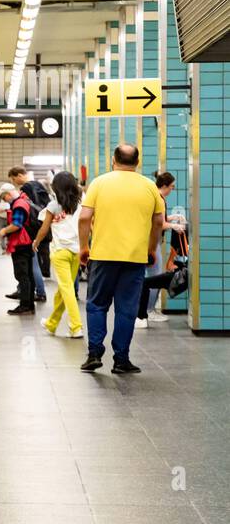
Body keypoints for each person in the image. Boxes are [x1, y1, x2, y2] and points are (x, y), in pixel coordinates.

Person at [78, 144, 165, 374]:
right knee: (127, 309)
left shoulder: (99, 182)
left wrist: (83, 246)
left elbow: (84, 217)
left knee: (97, 305)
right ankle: (121, 359)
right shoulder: (149, 186)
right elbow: (158, 222)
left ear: (112, 159)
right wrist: (152, 247)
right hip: (135, 257)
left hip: (103, 256)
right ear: (138, 162)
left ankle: (94, 353)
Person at [31, 171, 84, 339]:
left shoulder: (53, 206)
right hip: (77, 251)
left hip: (60, 252)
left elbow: (45, 227)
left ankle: (76, 327)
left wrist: (36, 241)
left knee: (66, 289)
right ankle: (52, 323)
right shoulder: (81, 204)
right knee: (62, 290)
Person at [135, 171, 187, 327]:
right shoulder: (159, 198)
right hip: (152, 243)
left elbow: (159, 219)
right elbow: (159, 224)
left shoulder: (155, 197)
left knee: (152, 276)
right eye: (172, 186)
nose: (172, 189)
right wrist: (174, 225)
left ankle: (149, 310)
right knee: (155, 277)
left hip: (149, 241)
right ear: (164, 186)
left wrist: (172, 218)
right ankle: (149, 310)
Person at [6, 167, 49, 302]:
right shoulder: (38, 185)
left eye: (13, 179)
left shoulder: (28, 188)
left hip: (31, 230)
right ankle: (23, 289)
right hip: (40, 227)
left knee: (32, 263)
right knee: (31, 263)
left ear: (19, 176)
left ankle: (40, 292)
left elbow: (29, 211)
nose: (14, 182)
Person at [0, 182, 36, 315]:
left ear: (7, 194)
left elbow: (17, 225)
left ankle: (25, 305)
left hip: (21, 243)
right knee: (28, 275)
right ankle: (29, 305)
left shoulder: (19, 205)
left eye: (3, 198)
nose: (4, 201)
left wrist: (3, 231)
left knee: (22, 275)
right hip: (27, 243)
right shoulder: (23, 201)